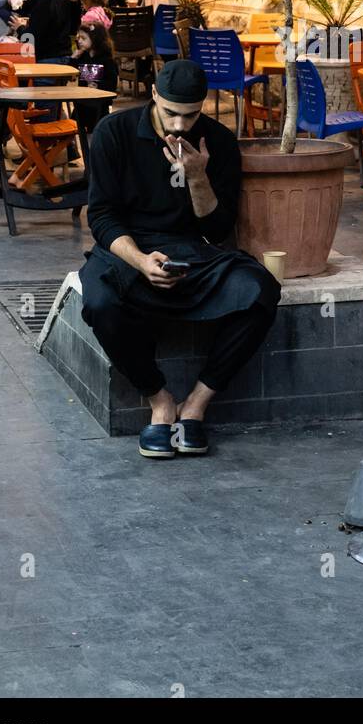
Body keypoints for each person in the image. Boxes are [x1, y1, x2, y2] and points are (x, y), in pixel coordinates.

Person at [80, 58, 281, 459]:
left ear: (202, 106)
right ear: (153, 94)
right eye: (170, 113)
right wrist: (139, 261)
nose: (178, 125)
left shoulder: (218, 142)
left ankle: (196, 405)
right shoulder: (113, 132)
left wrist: (197, 177)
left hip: (193, 251)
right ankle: (160, 401)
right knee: (101, 302)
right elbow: (101, 216)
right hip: (128, 249)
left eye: (189, 116)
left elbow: (217, 229)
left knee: (259, 291)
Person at [66, 22, 118, 129]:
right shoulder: (82, 57)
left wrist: (99, 86)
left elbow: (112, 84)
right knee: (72, 126)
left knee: (98, 129)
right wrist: (73, 58)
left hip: (99, 104)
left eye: (83, 38)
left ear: (95, 39)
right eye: (79, 37)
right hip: (82, 102)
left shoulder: (106, 60)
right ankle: (71, 143)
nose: (79, 41)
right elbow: (71, 74)